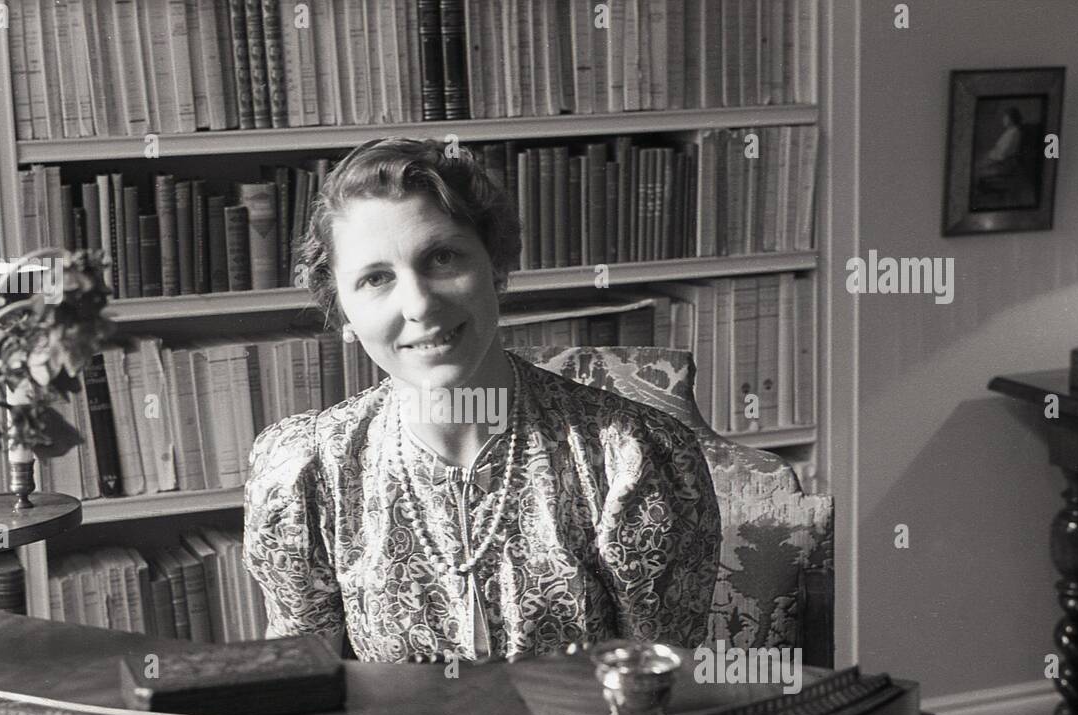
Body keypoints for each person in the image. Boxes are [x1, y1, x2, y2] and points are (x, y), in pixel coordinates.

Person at [242, 137, 721, 663]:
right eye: (376, 278)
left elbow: (658, 687)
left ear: (496, 266)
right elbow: (309, 691)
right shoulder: (305, 473)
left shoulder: (632, 458)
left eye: (442, 257)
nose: (419, 304)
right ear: (343, 313)